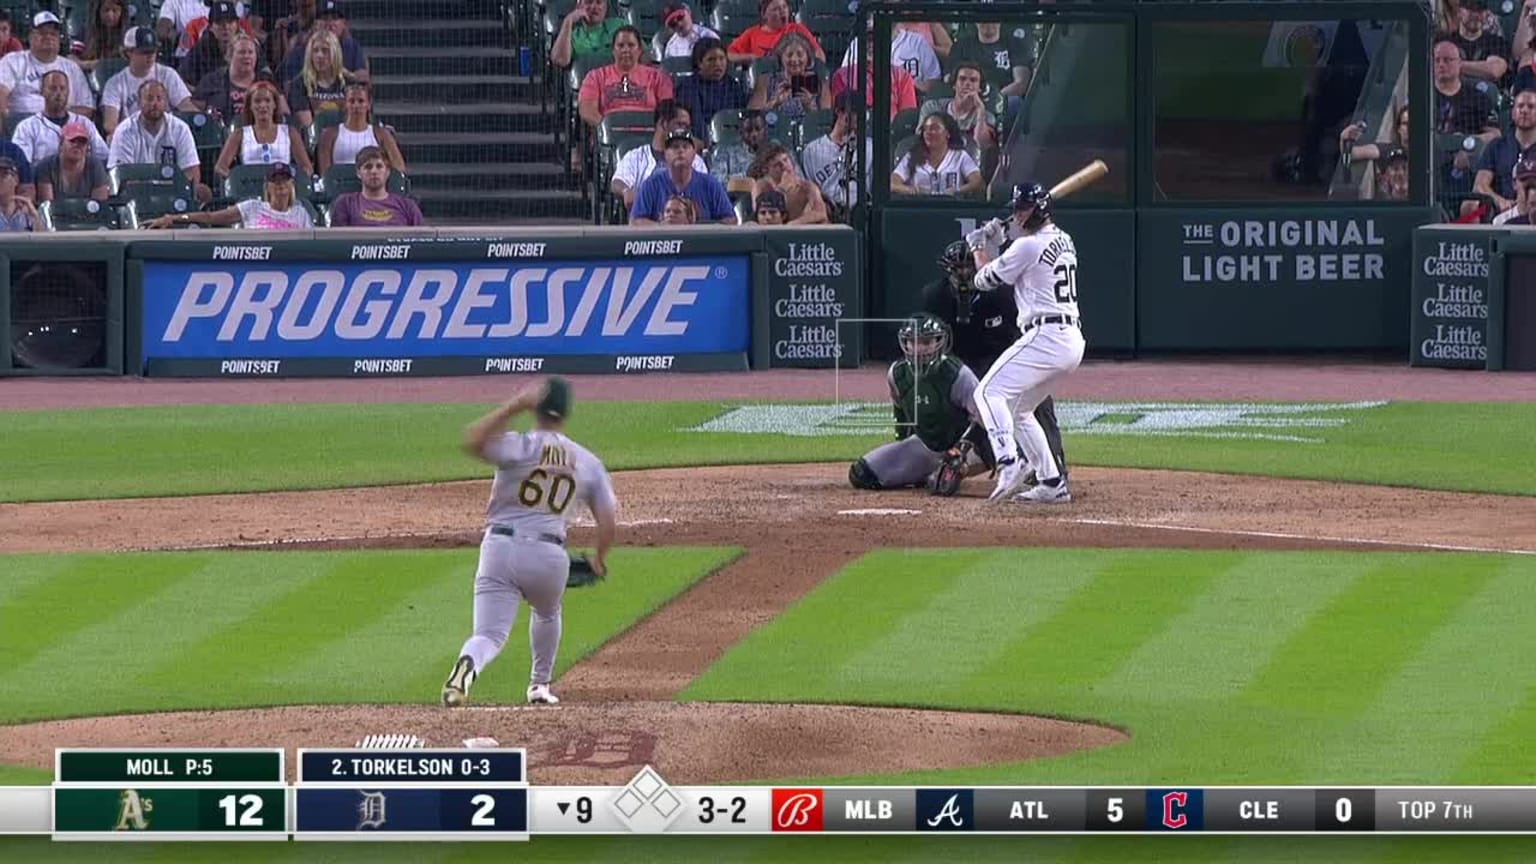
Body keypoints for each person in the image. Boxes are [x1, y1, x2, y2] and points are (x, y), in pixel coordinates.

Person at [441, 377, 619, 708]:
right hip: (549, 555)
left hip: (500, 549)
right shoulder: (587, 461)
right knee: (548, 612)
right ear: (567, 413)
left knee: (489, 635)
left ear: (536, 408)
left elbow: (473, 440)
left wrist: (514, 405)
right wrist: (598, 559)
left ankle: (467, 667)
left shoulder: (519, 444)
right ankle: (539, 686)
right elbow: (608, 522)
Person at [966, 182, 1083, 504]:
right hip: (1068, 339)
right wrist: (1002, 243)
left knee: (987, 393)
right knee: (1020, 410)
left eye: (1024, 208)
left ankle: (1007, 460)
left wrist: (980, 246)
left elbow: (983, 280)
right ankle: (1051, 482)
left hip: (1047, 335)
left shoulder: (1027, 247)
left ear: (1041, 209)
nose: (1018, 213)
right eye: (1016, 208)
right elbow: (1027, 256)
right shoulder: (1064, 239)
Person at [922, 240, 1068, 484]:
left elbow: (1018, 336)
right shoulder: (935, 296)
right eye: (957, 268)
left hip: (1002, 359)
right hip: (958, 368)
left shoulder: (1001, 294)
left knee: (1036, 400)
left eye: (969, 267)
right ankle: (953, 459)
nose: (964, 274)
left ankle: (1053, 466)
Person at [848, 314, 995, 493]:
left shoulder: (958, 374)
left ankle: (1019, 463)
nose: (919, 348)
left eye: (926, 342)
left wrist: (961, 450)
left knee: (945, 482)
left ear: (938, 342)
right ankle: (928, 472)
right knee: (862, 474)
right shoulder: (898, 374)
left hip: (968, 446)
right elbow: (900, 412)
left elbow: (986, 417)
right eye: (913, 342)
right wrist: (902, 446)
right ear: (905, 343)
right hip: (927, 445)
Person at [108, 80, 212, 203]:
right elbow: (122, 174)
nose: (155, 104)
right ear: (139, 103)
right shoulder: (124, 131)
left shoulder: (180, 128)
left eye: (159, 99)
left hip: (173, 197)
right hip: (136, 199)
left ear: (166, 103)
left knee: (203, 192)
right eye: (149, 99)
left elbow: (191, 171)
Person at [146, 162, 312, 228]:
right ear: (267, 186)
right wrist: (175, 218)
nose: (280, 185)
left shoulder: (301, 213)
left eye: (285, 180)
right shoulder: (253, 207)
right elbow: (210, 217)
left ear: (292, 184)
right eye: (275, 181)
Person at [630, 126, 736, 224]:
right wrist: (661, 227)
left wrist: (701, 229)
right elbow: (635, 221)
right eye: (675, 147)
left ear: (694, 154)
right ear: (665, 154)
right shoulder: (651, 185)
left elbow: (730, 220)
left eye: (685, 147)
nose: (680, 151)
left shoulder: (710, 184)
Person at [101, 27, 196, 135]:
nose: (150, 56)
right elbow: (109, 124)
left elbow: (187, 107)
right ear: (129, 52)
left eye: (153, 51)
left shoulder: (167, 74)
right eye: (144, 52)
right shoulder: (115, 83)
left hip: (166, 136)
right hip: (132, 137)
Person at [0, 12, 95, 118]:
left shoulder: (72, 68)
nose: (49, 37)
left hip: (63, 126)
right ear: (30, 37)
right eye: (42, 33)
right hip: (20, 124)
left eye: (53, 34)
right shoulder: (12, 61)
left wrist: (56, 118)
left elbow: (86, 108)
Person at [214, 80, 312, 179]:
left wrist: (291, 181)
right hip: (250, 189)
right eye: (257, 101)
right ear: (250, 106)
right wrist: (238, 179)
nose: (262, 105)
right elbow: (220, 167)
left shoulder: (290, 133)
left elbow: (307, 167)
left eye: (267, 100)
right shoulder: (239, 134)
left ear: (274, 104)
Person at [12, 71, 110, 165]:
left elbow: (104, 157)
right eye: (53, 88)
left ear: (68, 91)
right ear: (42, 92)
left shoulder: (84, 123)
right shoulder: (27, 127)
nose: (59, 93)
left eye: (63, 88)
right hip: (42, 179)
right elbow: (22, 165)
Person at [192, 33, 283, 123]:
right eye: (242, 52)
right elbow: (194, 113)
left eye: (250, 52)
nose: (247, 56)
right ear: (230, 56)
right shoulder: (211, 80)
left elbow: (284, 113)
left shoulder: (266, 81)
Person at [316, 82, 404, 172]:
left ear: (369, 104)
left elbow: (399, 166)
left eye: (361, 101)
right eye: (351, 101)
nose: (356, 105)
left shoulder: (382, 134)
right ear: (345, 104)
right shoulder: (328, 134)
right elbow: (325, 172)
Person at [328, 145, 424, 226]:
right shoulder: (346, 203)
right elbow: (338, 241)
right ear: (358, 173)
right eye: (368, 167)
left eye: (379, 166)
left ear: (387, 172)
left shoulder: (407, 206)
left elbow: (422, 240)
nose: (374, 171)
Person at [891, 112, 983, 197]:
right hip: (919, 207)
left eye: (934, 128)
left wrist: (958, 190)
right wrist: (910, 190)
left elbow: (977, 182)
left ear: (947, 133)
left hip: (951, 208)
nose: (928, 132)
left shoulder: (960, 156)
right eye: (925, 129)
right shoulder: (912, 155)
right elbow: (893, 183)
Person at [674, 38, 747, 142]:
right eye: (711, 59)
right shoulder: (689, 86)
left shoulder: (733, 85)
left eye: (721, 58)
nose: (718, 64)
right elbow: (696, 122)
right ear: (699, 63)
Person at [748, 32, 829, 120]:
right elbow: (752, 118)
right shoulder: (765, 80)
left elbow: (825, 121)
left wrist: (809, 107)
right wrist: (774, 103)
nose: (794, 59)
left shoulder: (820, 82)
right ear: (781, 57)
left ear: (808, 57)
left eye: (800, 54)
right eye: (789, 55)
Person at [287, 29, 354, 128]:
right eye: (315, 50)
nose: (319, 55)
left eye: (325, 50)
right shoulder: (300, 84)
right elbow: (307, 126)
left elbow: (356, 119)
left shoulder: (349, 82)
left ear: (335, 53)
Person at [35, 118, 110, 203]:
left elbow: (99, 206)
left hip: (88, 215)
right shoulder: (46, 166)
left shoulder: (95, 166)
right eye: (72, 141)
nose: (77, 145)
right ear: (61, 143)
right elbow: (48, 205)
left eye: (82, 142)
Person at [727, 0, 824, 65]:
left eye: (784, 7)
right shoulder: (752, 33)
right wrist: (751, 58)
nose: (782, 11)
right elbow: (730, 55)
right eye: (776, 9)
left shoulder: (797, 29)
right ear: (764, 14)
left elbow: (819, 54)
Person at [751, 142, 827, 224]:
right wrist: (780, 191)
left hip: (798, 231)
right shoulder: (761, 186)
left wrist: (793, 224)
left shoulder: (807, 187)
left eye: (785, 160)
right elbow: (760, 215)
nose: (784, 166)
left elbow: (821, 213)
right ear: (766, 170)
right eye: (777, 165)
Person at [550, 0, 626, 69]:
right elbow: (560, 60)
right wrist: (568, 21)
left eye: (599, 2)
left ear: (606, 7)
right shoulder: (571, 35)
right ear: (579, 6)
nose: (594, 7)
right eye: (589, 2)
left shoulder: (619, 25)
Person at [80, 0, 128, 71]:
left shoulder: (129, 35)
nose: (110, 15)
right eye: (106, 10)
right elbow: (72, 59)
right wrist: (91, 64)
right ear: (98, 11)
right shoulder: (85, 31)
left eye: (115, 11)